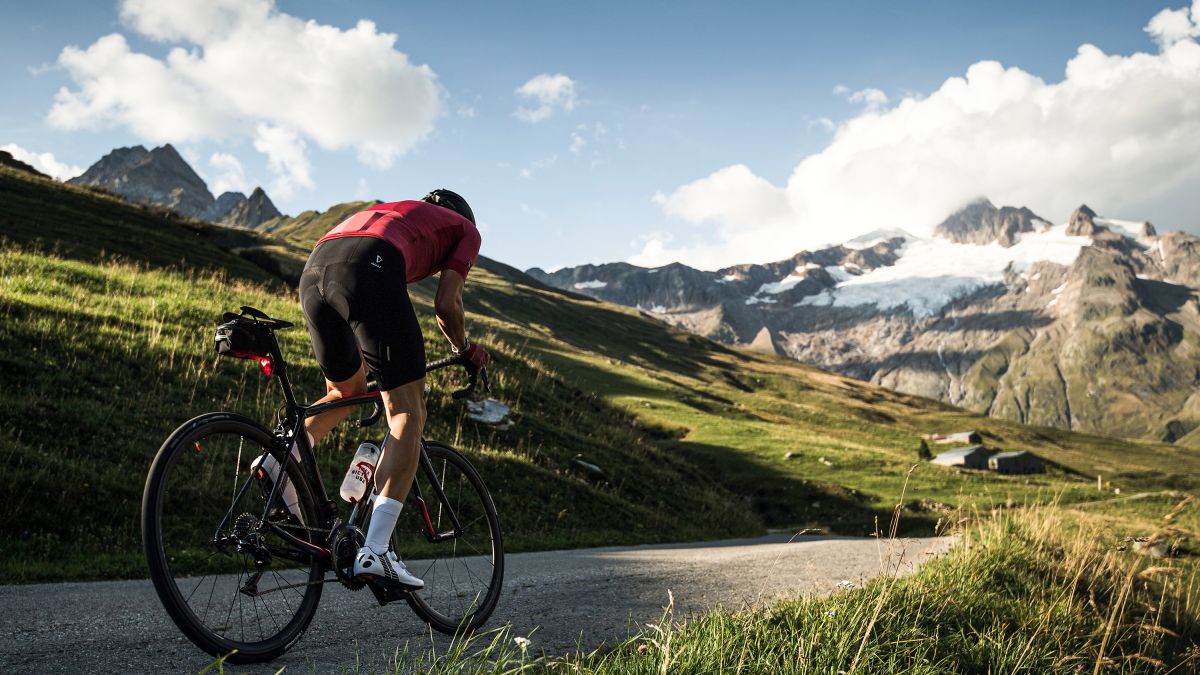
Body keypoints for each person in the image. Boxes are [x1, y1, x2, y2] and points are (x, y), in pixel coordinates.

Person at [252, 189, 489, 590]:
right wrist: (465, 349)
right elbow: (447, 305)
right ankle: (377, 549)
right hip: (369, 267)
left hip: (314, 271)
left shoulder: (393, 211)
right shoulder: (464, 229)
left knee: (346, 392)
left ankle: (278, 461)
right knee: (407, 414)